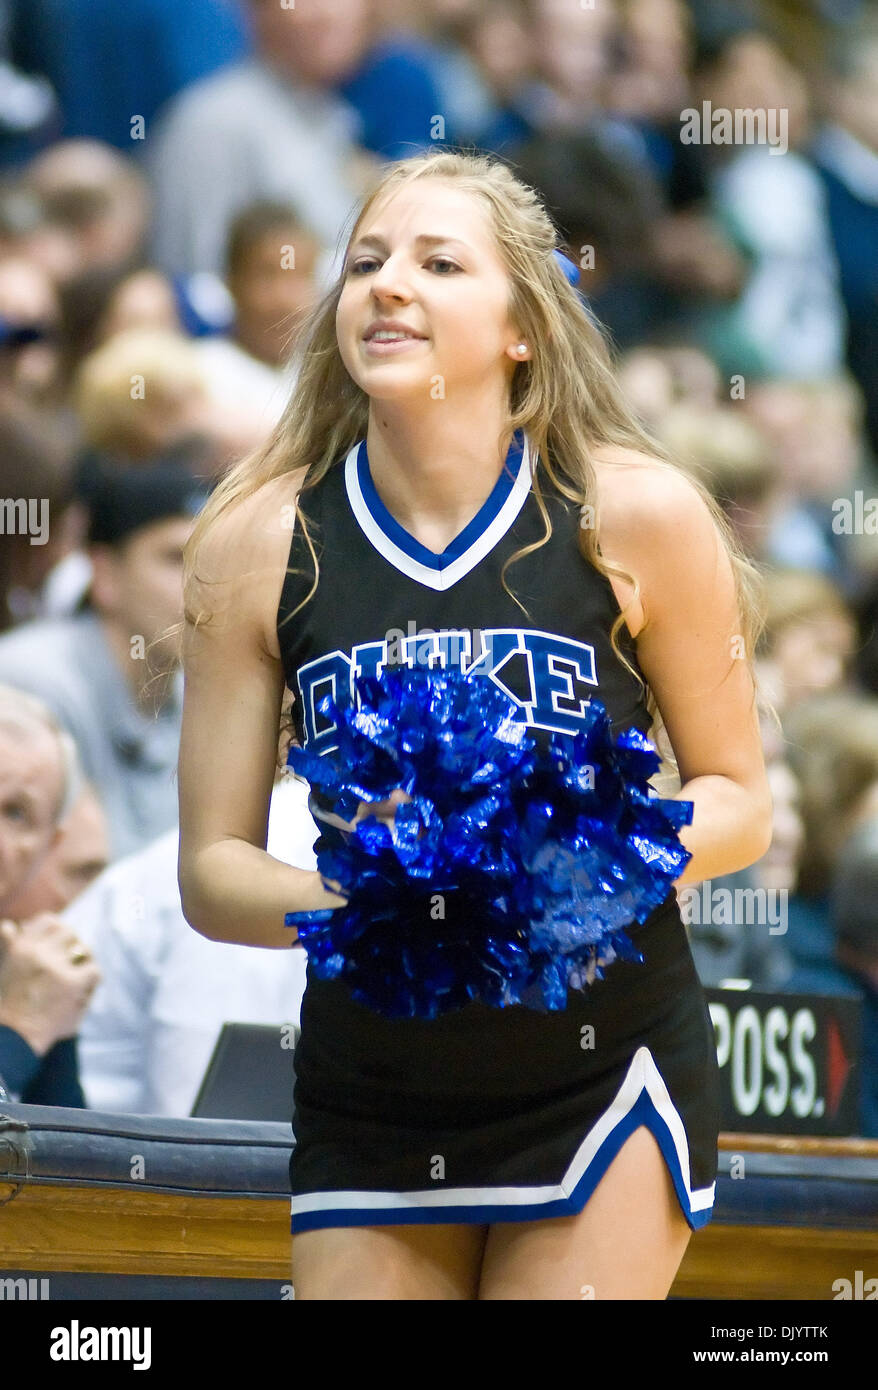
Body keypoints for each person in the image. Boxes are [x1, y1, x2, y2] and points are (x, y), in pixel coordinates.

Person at [176, 150, 773, 1300]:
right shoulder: (257, 543)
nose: (387, 284)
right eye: (365, 263)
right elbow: (211, 869)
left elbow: (738, 800)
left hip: (597, 1062)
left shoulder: (629, 512)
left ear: (520, 330)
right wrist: (382, 909)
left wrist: (566, 877)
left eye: (437, 263)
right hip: (373, 1085)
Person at [0, 684, 101, 1105]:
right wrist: (19, 1029)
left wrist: (44, 1023)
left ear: (49, 845)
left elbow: (75, 1165)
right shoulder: (25, 999)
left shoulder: (25, 969)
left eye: (16, 814)